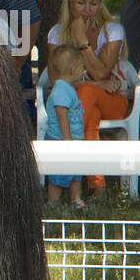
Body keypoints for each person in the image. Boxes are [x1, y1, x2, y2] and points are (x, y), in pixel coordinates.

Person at [44, 0, 134, 198]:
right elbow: (56, 78)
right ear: (70, 4)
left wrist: (82, 41)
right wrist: (96, 84)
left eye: (93, 3)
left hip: (112, 100)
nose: (87, 9)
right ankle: (97, 186)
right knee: (88, 113)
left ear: (101, 3)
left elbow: (101, 72)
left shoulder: (112, 30)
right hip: (74, 106)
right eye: (81, 3)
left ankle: (63, 172)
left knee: (84, 94)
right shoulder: (56, 33)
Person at [42, 44, 87, 210]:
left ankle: (76, 199)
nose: (84, 70)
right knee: (58, 173)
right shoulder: (62, 90)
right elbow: (62, 115)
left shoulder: (67, 88)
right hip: (60, 140)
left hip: (72, 140)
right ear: (74, 68)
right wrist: (68, 140)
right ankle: (53, 201)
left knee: (76, 172)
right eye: (82, 67)